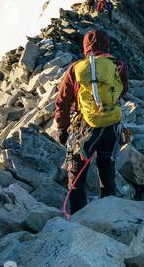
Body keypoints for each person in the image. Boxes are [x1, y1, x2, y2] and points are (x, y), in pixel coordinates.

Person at [54, 29, 129, 214]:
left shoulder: (76, 68)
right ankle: (108, 217)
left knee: (77, 178)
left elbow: (62, 101)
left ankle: (78, 220)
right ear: (107, 45)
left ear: (85, 46)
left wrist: (63, 128)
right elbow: (123, 91)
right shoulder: (117, 65)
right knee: (107, 175)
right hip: (111, 128)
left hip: (84, 129)